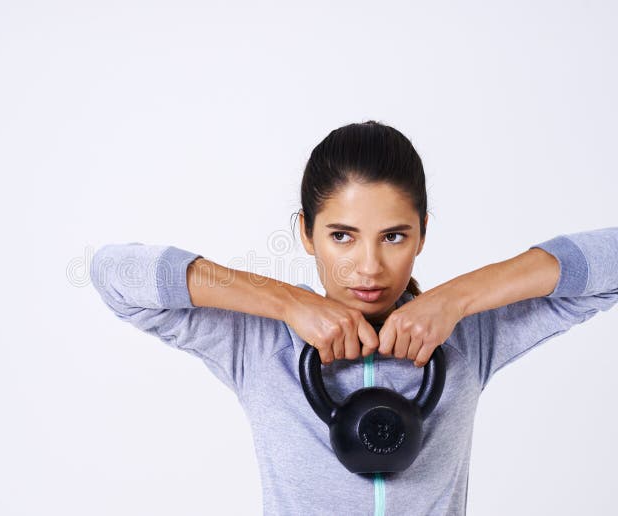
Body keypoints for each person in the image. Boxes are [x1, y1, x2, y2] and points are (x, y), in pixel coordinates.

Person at [89, 120, 618, 515]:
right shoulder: (256, 339)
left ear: (423, 234)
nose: (368, 267)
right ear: (306, 233)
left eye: (394, 236)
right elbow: (111, 273)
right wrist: (286, 303)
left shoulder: (469, 334)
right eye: (341, 236)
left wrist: (458, 297)